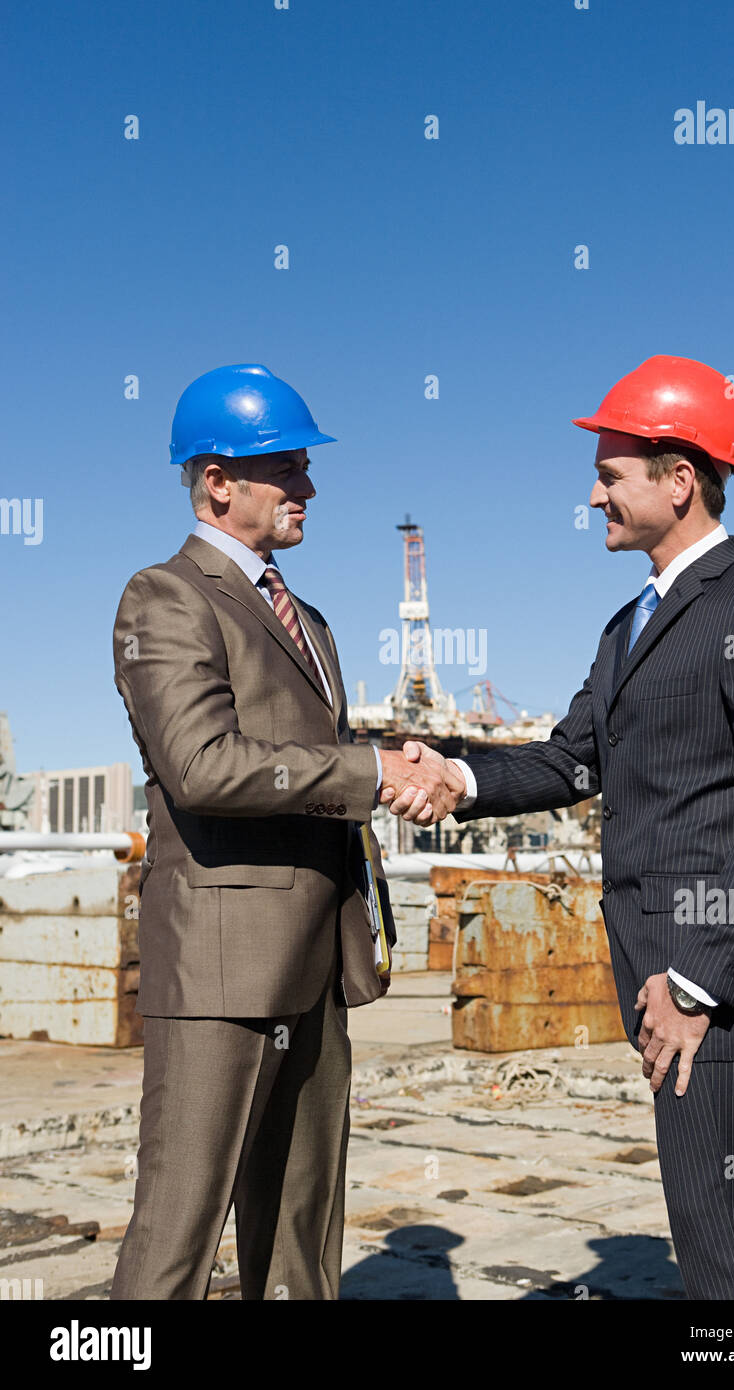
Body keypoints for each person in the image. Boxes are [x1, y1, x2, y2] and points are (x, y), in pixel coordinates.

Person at [383, 355, 734, 1300]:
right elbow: (567, 761)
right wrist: (457, 773)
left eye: (611, 472)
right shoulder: (629, 626)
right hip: (674, 983)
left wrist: (699, 979)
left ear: (680, 481)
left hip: (722, 993)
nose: (592, 494)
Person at [111, 363, 455, 1300]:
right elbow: (202, 764)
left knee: (304, 1232)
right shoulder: (165, 598)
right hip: (221, 969)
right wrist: (371, 771)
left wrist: (404, 764)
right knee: (179, 1233)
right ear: (218, 480)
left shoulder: (314, 622)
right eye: (288, 469)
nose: (309, 487)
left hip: (316, 967)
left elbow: (315, 758)